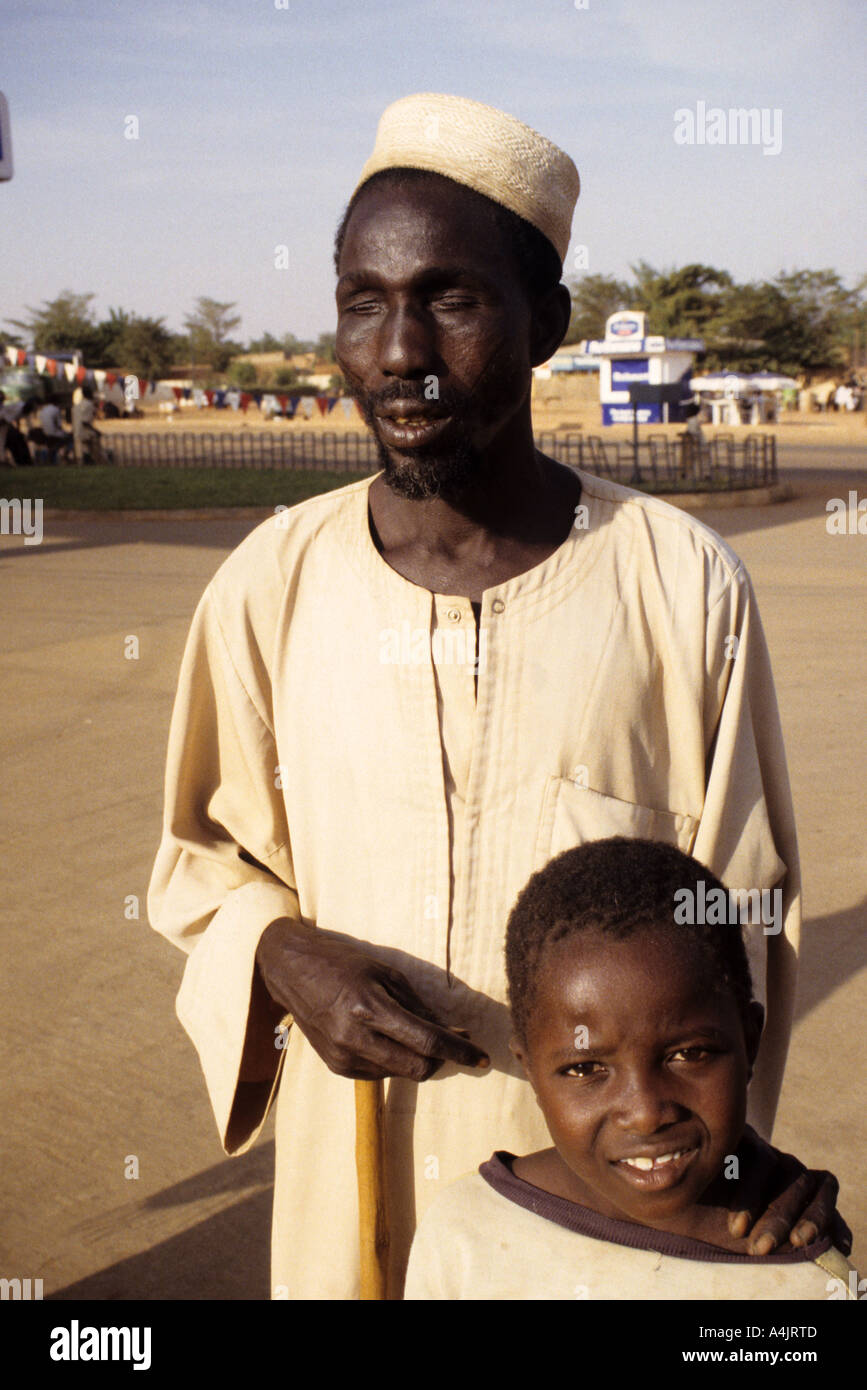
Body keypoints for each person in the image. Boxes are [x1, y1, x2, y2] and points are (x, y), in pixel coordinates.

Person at [147, 93, 834, 1301]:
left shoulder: (680, 586)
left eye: (450, 298)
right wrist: (278, 951)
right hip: (346, 1185)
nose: (398, 350)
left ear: (547, 321)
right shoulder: (271, 582)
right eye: (366, 301)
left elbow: (748, 925)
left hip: (599, 1216)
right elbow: (199, 863)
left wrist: (727, 1161)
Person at [404, 837, 858, 1300]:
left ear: (750, 1041)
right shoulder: (465, 1237)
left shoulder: (811, 1286)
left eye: (689, 1054)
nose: (645, 1113)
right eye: (585, 1068)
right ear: (531, 1072)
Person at [72, 385, 106, 464]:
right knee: (96, 449)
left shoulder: (77, 405)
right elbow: (85, 422)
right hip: (85, 433)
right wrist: (96, 431)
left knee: (87, 450)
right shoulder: (89, 404)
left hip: (77, 432)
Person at [0, 389, 33, 466]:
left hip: (4, 425)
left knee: (3, 441)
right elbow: (5, 420)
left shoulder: (16, 407)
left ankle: (3, 460)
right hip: (3, 424)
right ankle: (2, 460)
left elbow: (14, 419)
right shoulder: (16, 408)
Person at [37, 393, 74, 461]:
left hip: (45, 433)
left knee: (55, 445)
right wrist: (66, 432)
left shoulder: (43, 410)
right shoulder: (56, 409)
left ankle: (53, 456)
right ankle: (66, 456)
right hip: (54, 434)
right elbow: (59, 426)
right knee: (71, 438)